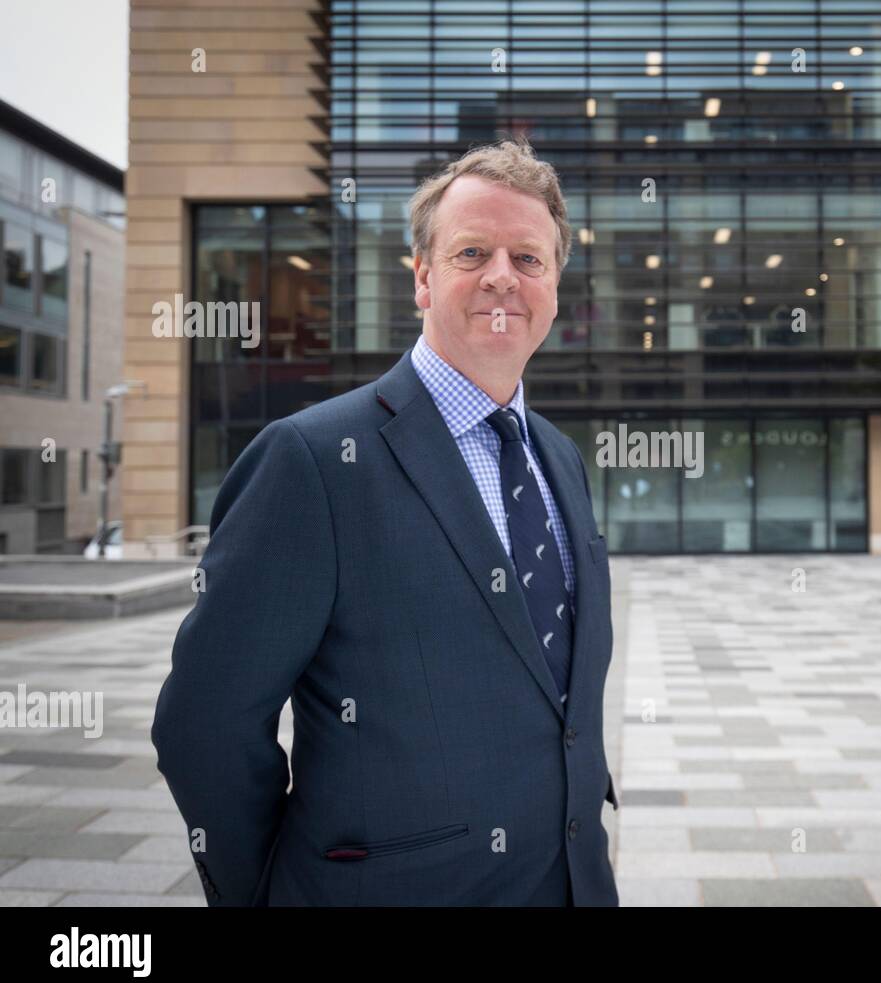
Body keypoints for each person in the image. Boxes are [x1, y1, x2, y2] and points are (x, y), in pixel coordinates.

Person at [151, 137, 619, 906]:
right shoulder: (312, 459)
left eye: (528, 259)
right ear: (423, 279)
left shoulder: (560, 459)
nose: (503, 275)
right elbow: (204, 725)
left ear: (555, 286)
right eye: (472, 251)